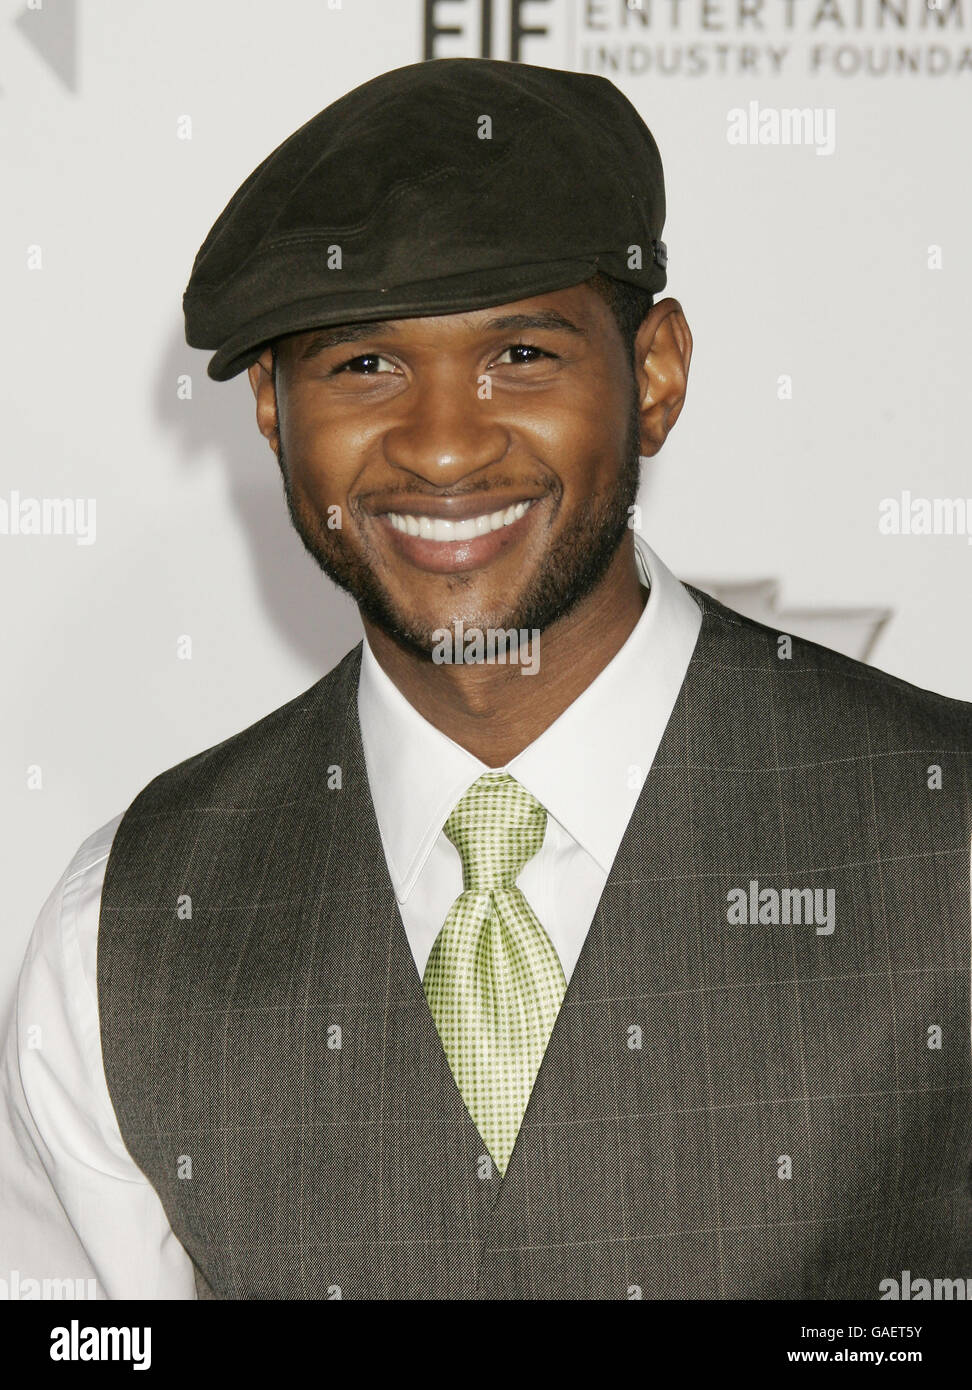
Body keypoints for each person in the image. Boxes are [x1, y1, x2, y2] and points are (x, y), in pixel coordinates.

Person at [2, 58, 970, 1302]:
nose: (445, 444)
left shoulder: (946, 838)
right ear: (269, 413)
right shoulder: (125, 931)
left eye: (520, 352)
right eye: (363, 366)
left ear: (657, 375)